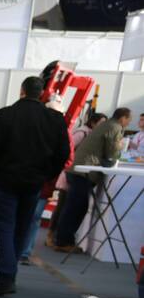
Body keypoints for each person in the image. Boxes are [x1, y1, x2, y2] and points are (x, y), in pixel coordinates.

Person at [0, 75, 70, 296]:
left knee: (5, 226)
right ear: (41, 94)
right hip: (34, 182)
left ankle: (7, 275)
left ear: (21, 91)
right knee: (22, 227)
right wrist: (48, 175)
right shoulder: (55, 120)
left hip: (5, 180)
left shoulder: (5, 115)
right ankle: (10, 273)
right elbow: (64, 153)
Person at [50, 107, 131, 252]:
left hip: (80, 170)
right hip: (84, 171)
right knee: (76, 207)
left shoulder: (107, 125)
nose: (129, 122)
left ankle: (61, 238)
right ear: (123, 118)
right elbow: (112, 153)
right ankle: (63, 241)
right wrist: (118, 152)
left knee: (73, 206)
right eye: (129, 119)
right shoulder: (115, 127)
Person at [46, 112, 102, 247]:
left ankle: (54, 235)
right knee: (62, 204)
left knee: (65, 204)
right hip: (71, 172)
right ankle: (51, 235)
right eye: (101, 122)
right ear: (93, 123)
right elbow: (69, 149)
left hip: (75, 172)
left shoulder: (93, 135)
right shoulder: (83, 133)